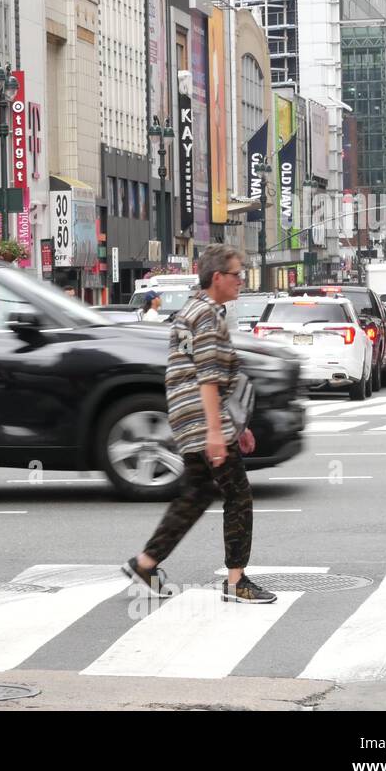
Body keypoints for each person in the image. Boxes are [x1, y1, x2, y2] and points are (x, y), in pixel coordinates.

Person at [122, 244, 276, 605]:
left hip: (189, 417)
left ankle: (145, 562)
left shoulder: (194, 310)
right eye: (237, 274)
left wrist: (236, 425)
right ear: (217, 277)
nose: (242, 280)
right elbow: (208, 376)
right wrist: (216, 433)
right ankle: (236, 581)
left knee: (196, 494)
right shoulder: (206, 314)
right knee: (238, 496)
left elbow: (209, 376)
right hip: (203, 420)